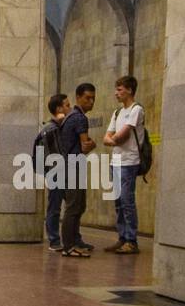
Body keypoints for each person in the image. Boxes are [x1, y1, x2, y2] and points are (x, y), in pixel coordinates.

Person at [103, 75, 144, 254]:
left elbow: (122, 135)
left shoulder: (136, 110)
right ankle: (122, 237)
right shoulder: (117, 112)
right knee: (118, 202)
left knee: (128, 200)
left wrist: (113, 140)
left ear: (129, 90)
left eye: (119, 90)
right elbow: (107, 137)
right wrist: (113, 140)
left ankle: (131, 240)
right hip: (116, 160)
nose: (116, 93)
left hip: (129, 161)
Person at [58, 83, 97, 258]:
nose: (91, 102)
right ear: (78, 97)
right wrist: (92, 144)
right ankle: (69, 246)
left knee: (78, 205)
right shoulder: (80, 118)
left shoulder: (69, 116)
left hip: (67, 166)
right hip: (73, 167)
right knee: (74, 207)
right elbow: (85, 146)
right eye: (88, 98)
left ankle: (75, 240)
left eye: (93, 98)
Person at [36, 93, 68, 250]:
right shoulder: (51, 129)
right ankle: (54, 240)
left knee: (59, 206)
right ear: (59, 108)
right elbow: (58, 154)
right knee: (54, 207)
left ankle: (62, 239)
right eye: (67, 105)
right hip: (56, 172)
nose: (70, 108)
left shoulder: (54, 127)